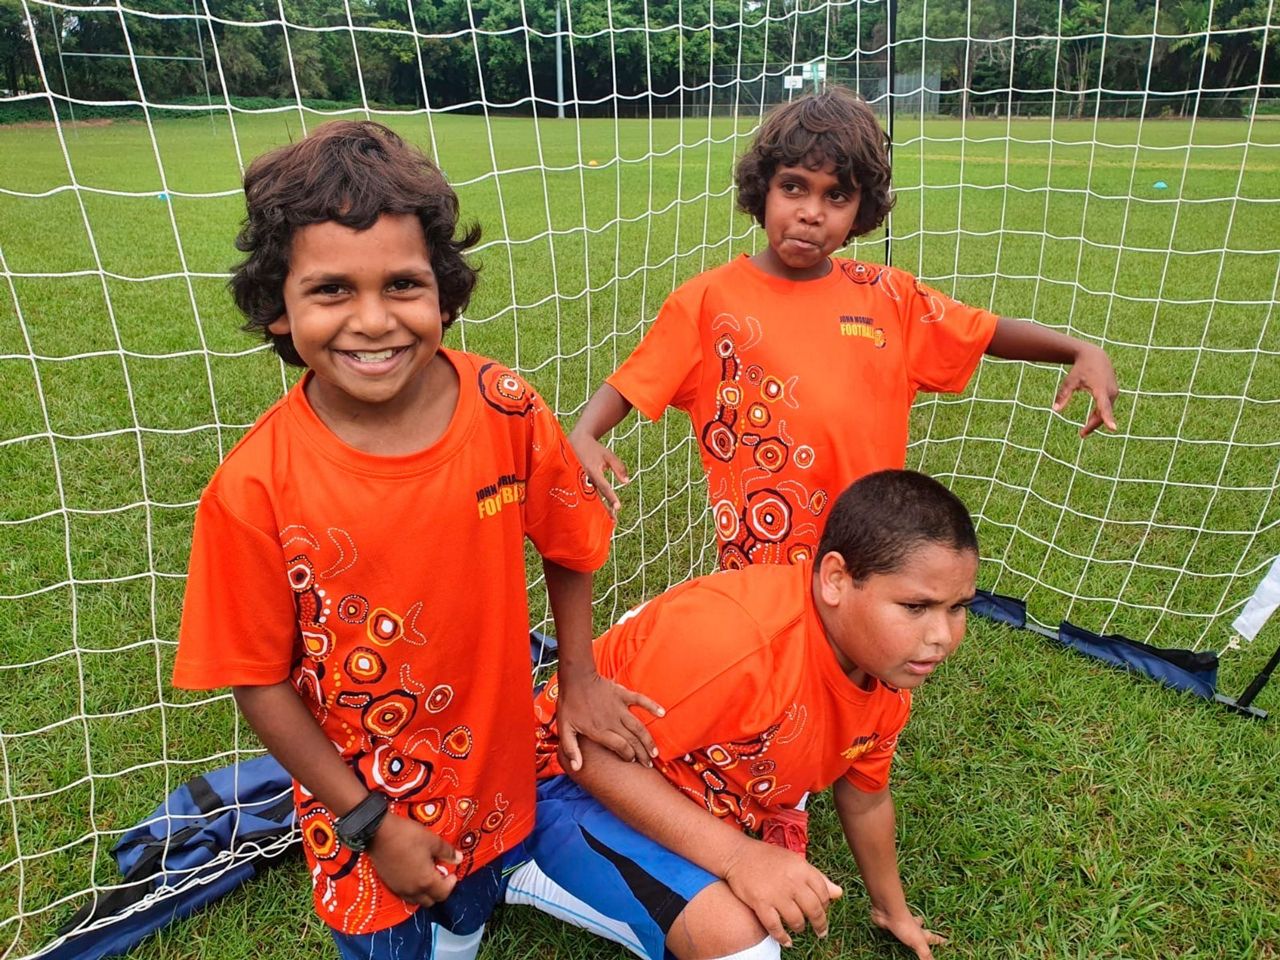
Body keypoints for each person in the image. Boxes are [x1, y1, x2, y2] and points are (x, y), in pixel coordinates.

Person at [172, 121, 662, 960]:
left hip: (501, 778)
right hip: (369, 827)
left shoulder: (505, 405)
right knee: (396, 942)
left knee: (465, 912)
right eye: (331, 290)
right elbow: (257, 681)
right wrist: (369, 822)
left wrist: (580, 676)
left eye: (402, 284)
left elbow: (571, 539)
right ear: (278, 308)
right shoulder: (254, 487)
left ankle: (473, 913)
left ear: (444, 289)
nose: (373, 321)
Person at [570, 86, 1118, 572]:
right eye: (793, 187)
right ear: (763, 189)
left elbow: (987, 331)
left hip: (870, 553)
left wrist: (1078, 349)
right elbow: (632, 382)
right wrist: (586, 433)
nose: (812, 212)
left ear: (861, 209)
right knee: (776, 653)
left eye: (836, 196)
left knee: (861, 650)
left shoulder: (889, 296)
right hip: (760, 560)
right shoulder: (710, 302)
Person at [503, 469, 977, 960]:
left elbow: (865, 798)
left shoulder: (887, 671)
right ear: (836, 579)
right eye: (916, 607)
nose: (942, 636)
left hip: (677, 788)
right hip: (554, 781)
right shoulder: (737, 644)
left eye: (958, 607)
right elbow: (589, 753)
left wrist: (892, 910)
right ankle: (513, 862)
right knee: (743, 945)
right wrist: (738, 857)